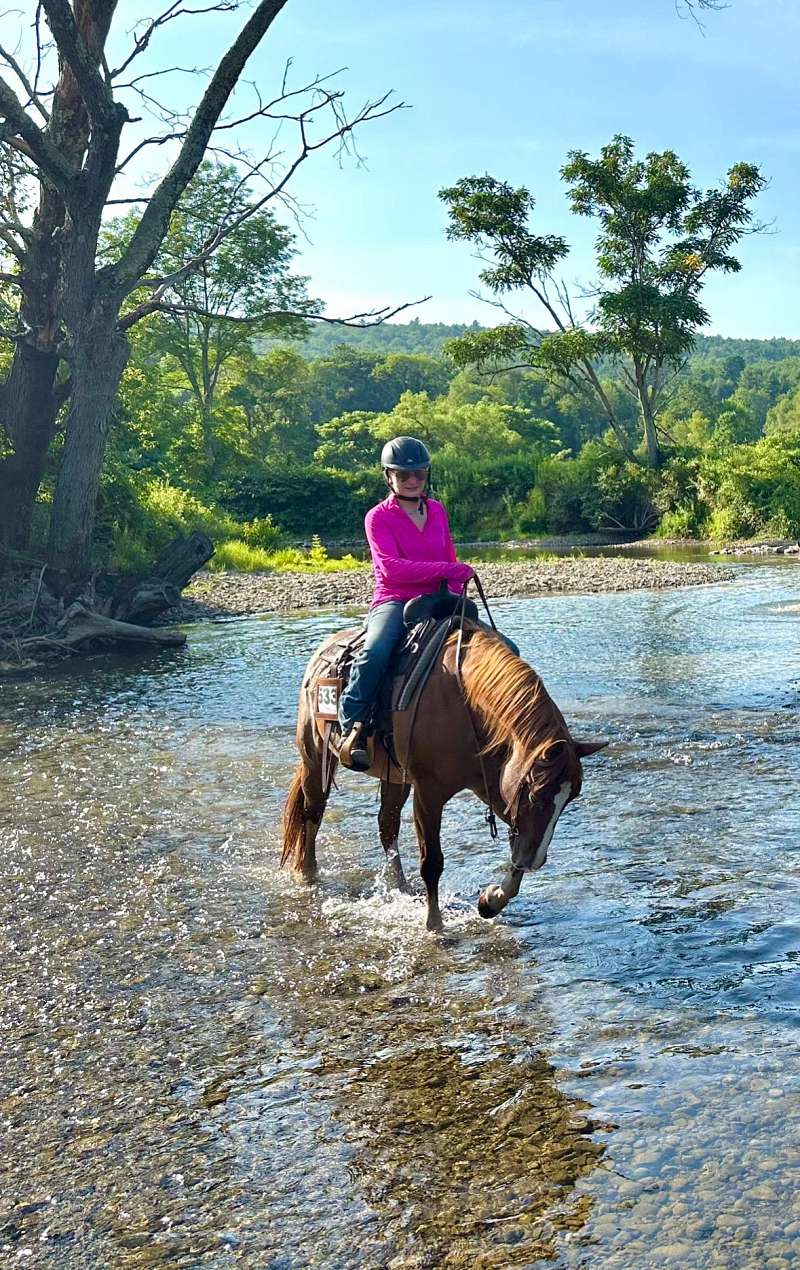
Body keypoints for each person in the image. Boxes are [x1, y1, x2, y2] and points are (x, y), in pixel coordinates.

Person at [337, 435, 474, 771]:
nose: (413, 480)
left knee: (504, 648)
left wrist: (457, 588)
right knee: (375, 651)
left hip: (439, 599)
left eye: (419, 474)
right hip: (395, 599)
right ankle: (351, 726)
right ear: (389, 476)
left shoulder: (437, 510)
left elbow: (450, 558)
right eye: (403, 474)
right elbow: (391, 568)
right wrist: (448, 570)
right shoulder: (377, 517)